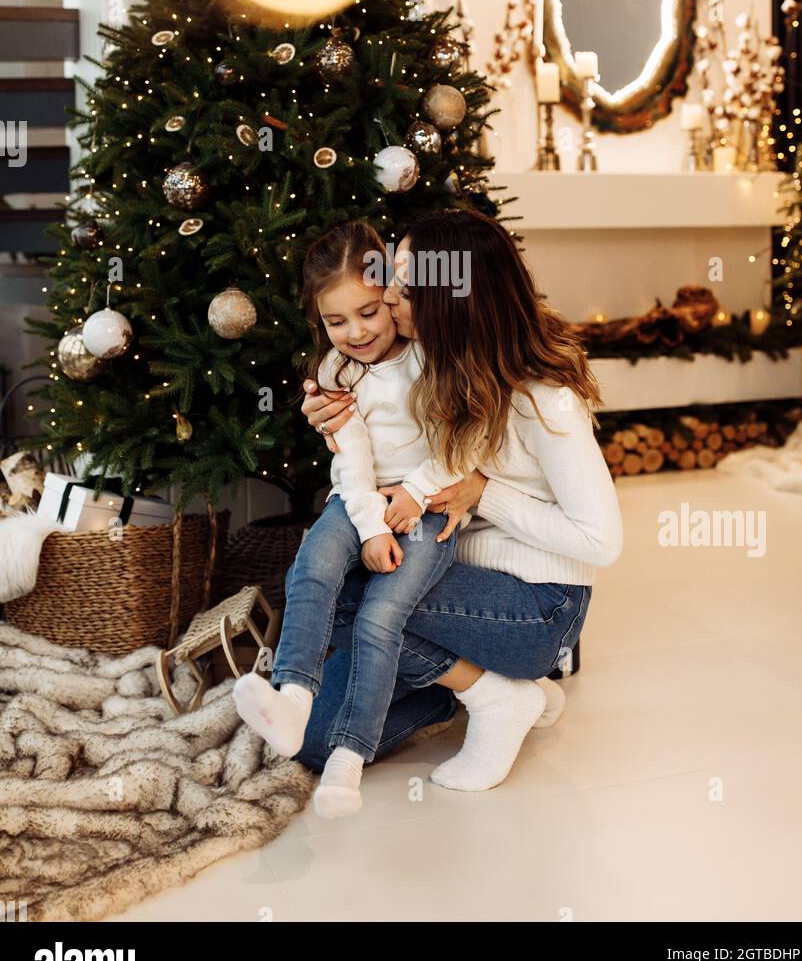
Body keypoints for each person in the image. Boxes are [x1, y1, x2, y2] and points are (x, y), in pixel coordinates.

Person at [297, 208, 623, 793]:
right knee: (317, 742)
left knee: (352, 591)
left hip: (536, 606)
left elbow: (601, 539)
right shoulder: (434, 364)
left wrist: (484, 492)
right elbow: (376, 437)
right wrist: (330, 413)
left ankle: (498, 696)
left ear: (448, 299)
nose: (388, 298)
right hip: (448, 584)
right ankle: (471, 686)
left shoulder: (544, 397)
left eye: (401, 286)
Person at [233, 221, 474, 819]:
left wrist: (414, 496)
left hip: (429, 505)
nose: (357, 332)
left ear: (392, 293)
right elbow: (354, 460)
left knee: (380, 617)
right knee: (311, 567)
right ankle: (293, 695)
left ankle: (348, 758)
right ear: (320, 320)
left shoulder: (433, 357)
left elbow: (460, 442)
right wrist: (368, 526)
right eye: (336, 322)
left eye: (368, 313)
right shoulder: (338, 372)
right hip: (362, 498)